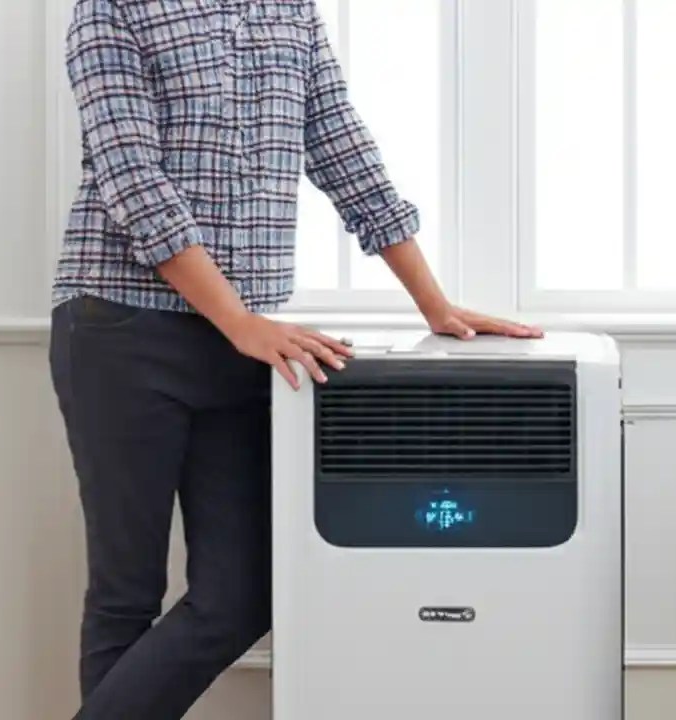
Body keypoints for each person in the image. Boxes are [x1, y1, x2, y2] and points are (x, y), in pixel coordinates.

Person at [49, 1, 542, 717]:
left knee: (243, 591)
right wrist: (240, 319)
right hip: (121, 331)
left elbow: (340, 144)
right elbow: (132, 178)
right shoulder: (114, 8)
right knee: (127, 593)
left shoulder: (290, 11)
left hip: (240, 343)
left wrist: (431, 302)